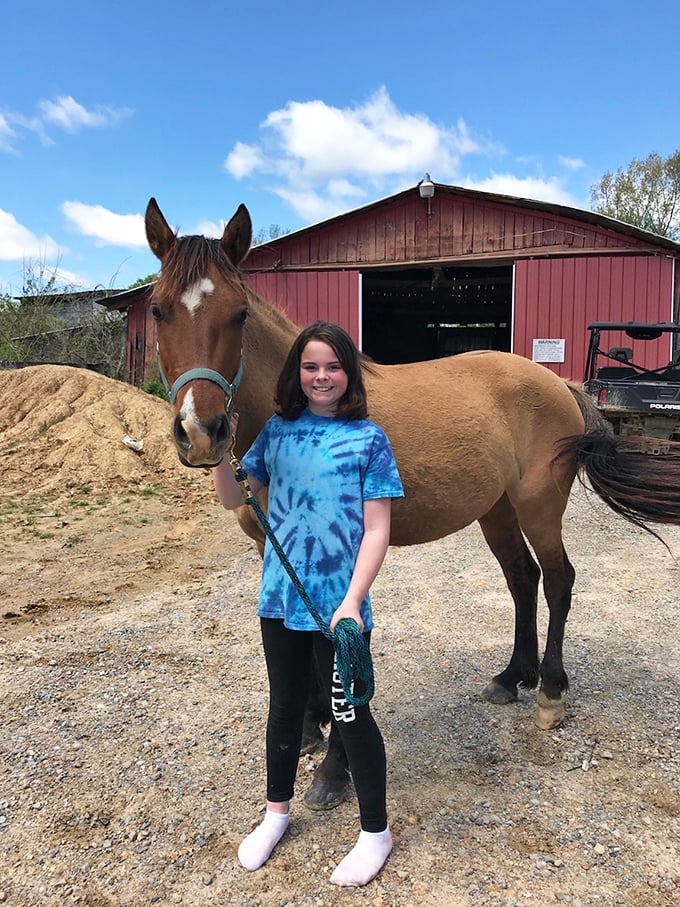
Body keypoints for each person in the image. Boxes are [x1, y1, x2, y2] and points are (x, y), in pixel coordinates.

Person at [213, 320, 404, 887]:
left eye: (333, 366)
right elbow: (232, 500)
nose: (322, 376)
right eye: (311, 366)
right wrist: (224, 451)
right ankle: (276, 814)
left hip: (338, 610)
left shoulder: (369, 439)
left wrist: (352, 601)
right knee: (285, 708)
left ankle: (376, 831)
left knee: (350, 714)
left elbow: (377, 531)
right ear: (297, 373)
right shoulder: (276, 431)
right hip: (279, 601)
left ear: (349, 373)